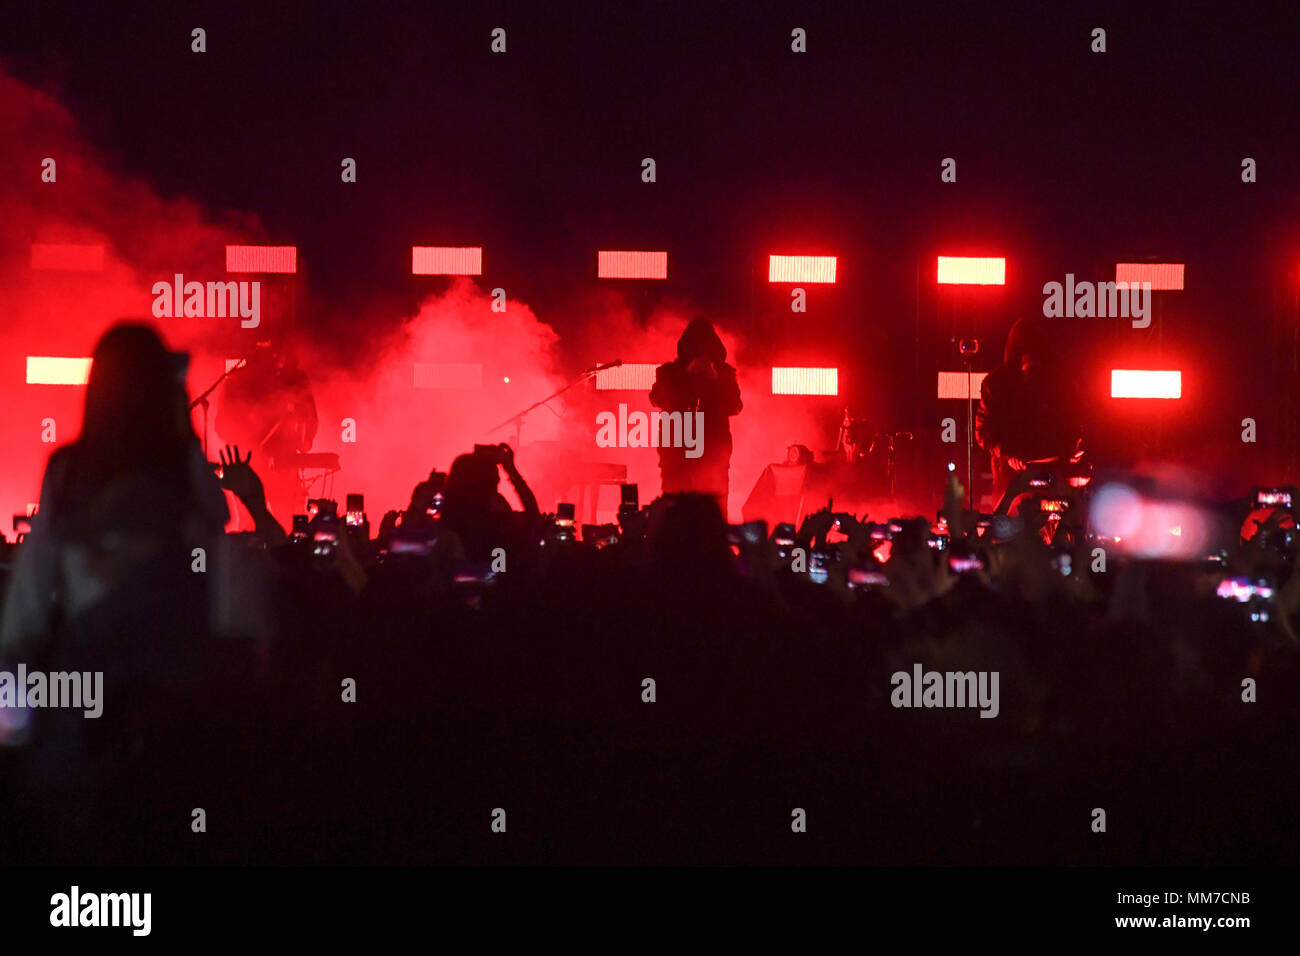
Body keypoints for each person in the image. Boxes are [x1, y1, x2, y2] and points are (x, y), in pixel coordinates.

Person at [975, 316, 1084, 504]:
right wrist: (1007, 455)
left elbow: (1076, 419)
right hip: (1011, 472)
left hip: (1053, 469)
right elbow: (983, 431)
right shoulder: (996, 384)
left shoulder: (1062, 383)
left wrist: (1075, 447)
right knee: (1009, 521)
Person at [215, 340, 318, 521]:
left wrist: (305, 440)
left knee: (285, 518)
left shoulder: (292, 380)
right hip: (249, 463)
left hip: (282, 462)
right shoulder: (236, 382)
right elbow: (221, 424)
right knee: (249, 522)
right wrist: (244, 440)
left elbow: (310, 417)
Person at [649, 316, 743, 504]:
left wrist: (715, 381)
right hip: (677, 454)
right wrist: (685, 378)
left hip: (712, 454)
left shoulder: (725, 373)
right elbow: (656, 398)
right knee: (675, 505)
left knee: (712, 506)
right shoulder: (670, 372)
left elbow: (735, 406)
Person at [440, 443, 539, 561]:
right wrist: (512, 471)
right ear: (488, 488)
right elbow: (534, 520)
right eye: (494, 484)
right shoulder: (498, 527)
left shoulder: (441, 530)